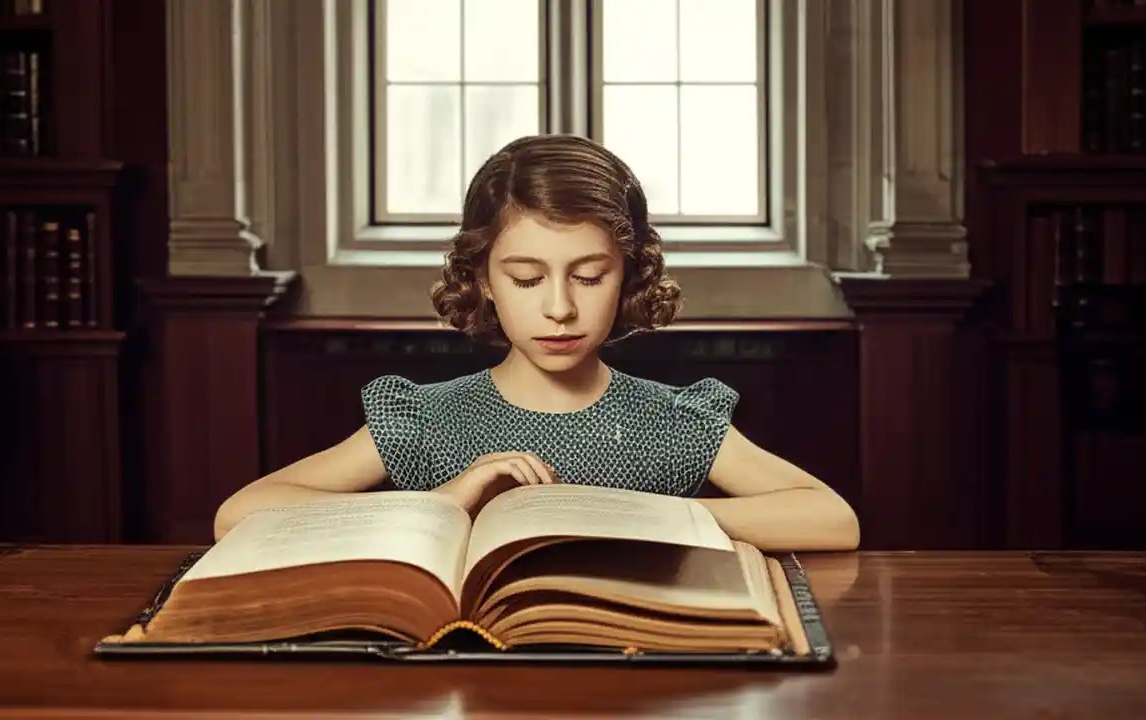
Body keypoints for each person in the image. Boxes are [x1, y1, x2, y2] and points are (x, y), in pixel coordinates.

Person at [214, 134, 860, 552]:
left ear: (629, 274)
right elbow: (237, 516)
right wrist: (441, 503)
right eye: (527, 278)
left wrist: (654, 522)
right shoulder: (425, 421)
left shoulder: (672, 421)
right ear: (484, 280)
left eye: (588, 275)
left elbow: (833, 519)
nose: (559, 307)